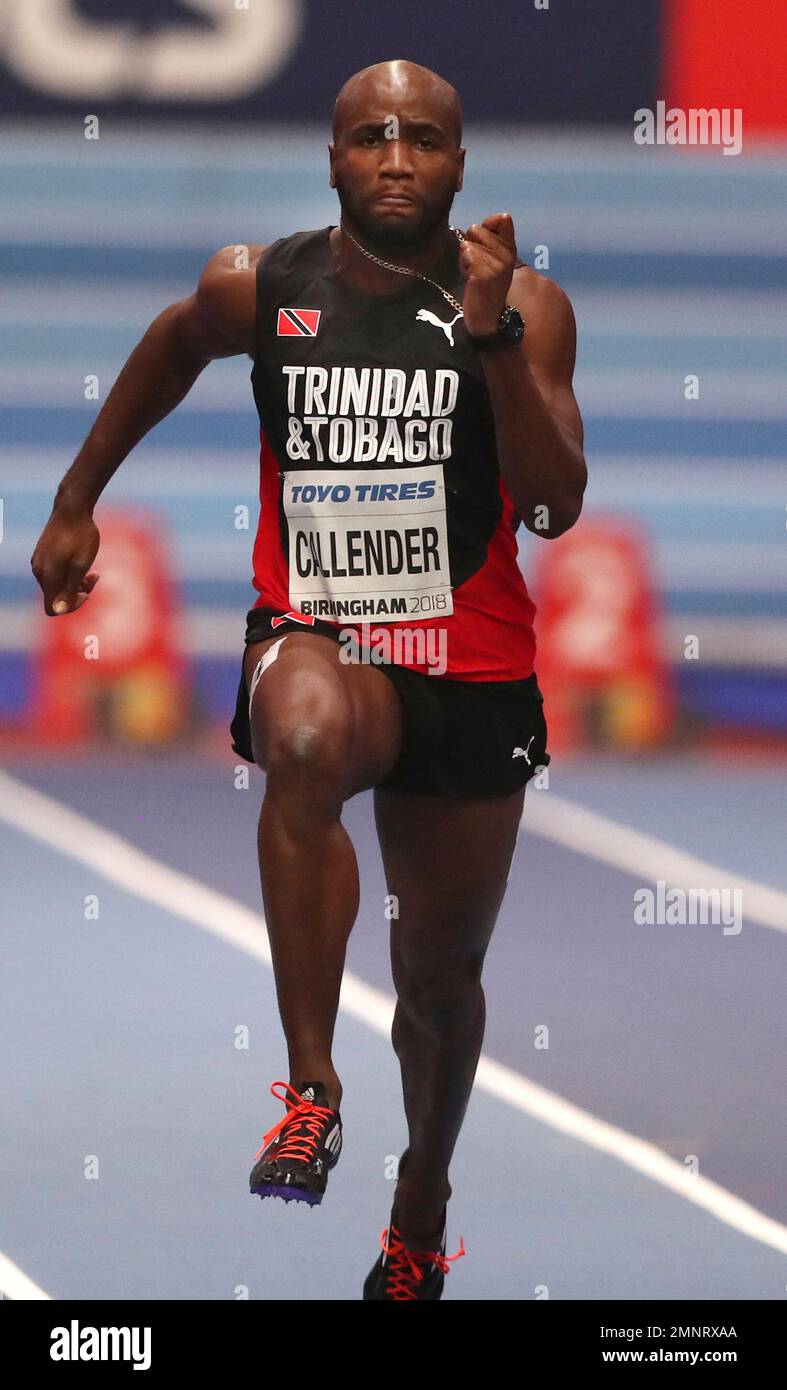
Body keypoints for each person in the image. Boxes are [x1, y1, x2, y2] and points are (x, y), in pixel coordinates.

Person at [30, 57, 586, 1300]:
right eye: (370, 137)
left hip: (470, 659)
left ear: (460, 163)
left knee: (439, 988)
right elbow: (170, 350)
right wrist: (76, 503)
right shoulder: (262, 285)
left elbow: (553, 501)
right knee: (300, 739)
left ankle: (421, 1198)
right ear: (331, 159)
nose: (396, 157)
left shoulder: (526, 307)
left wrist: (490, 335)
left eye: (425, 139)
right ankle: (310, 1085)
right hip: (322, 627)